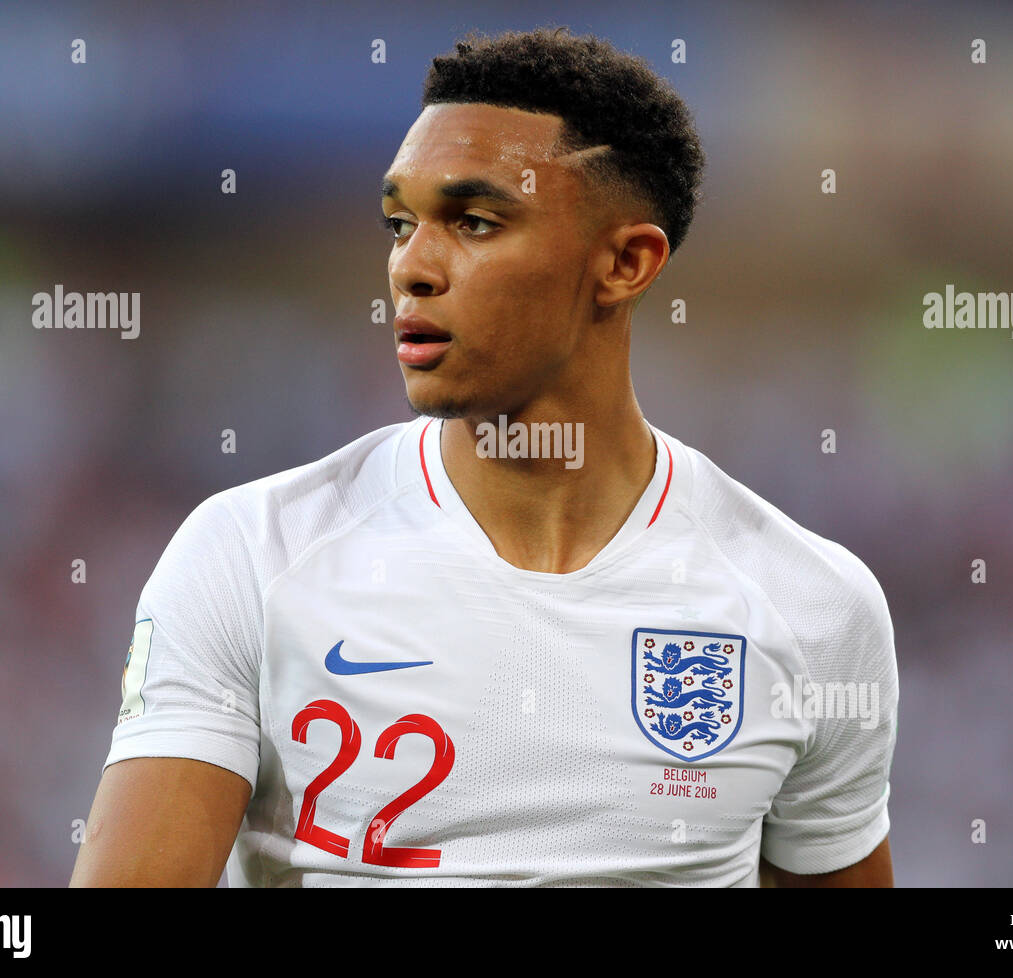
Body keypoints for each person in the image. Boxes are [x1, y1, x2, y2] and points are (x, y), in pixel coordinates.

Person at [71, 26, 897, 887]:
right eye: (400, 222)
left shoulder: (811, 606)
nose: (412, 267)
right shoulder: (250, 554)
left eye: (473, 222)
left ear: (625, 262)